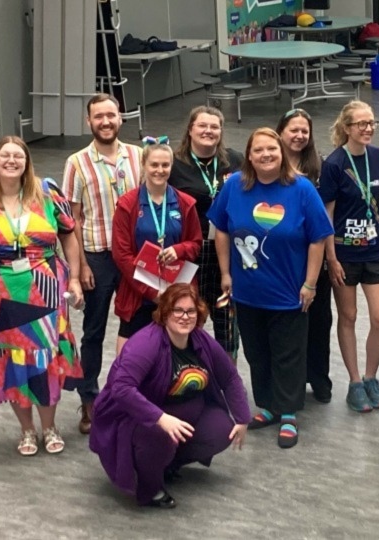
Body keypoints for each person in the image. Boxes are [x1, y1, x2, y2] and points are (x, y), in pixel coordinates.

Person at [207, 127, 333, 449]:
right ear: (249, 155)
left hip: (289, 292)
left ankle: (288, 411)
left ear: (281, 153)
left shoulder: (302, 189)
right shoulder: (234, 186)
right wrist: (225, 273)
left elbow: (318, 238)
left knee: (288, 353)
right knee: (257, 351)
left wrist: (310, 284)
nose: (266, 155)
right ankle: (267, 404)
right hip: (247, 291)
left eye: (272, 150)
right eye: (259, 150)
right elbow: (221, 230)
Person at [0, 136, 84, 457]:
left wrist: (75, 277)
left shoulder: (46, 193)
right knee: (12, 359)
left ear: (27, 161)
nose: (12, 161)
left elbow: (69, 235)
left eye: (18, 155)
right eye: (5, 155)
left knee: (44, 357)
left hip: (44, 285)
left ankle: (49, 426)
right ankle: (27, 430)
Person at [89, 284, 250, 508]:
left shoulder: (200, 339)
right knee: (159, 436)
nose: (185, 317)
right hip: (139, 418)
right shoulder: (146, 343)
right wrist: (160, 418)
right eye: (178, 310)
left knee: (223, 429)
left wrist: (242, 417)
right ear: (164, 313)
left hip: (185, 413)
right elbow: (121, 388)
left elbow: (230, 377)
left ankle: (166, 463)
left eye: (191, 311)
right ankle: (150, 487)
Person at [62, 93, 142, 434]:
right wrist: (80, 269)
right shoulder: (76, 163)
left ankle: (136, 395)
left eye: (111, 115)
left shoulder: (139, 156)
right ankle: (89, 400)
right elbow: (71, 219)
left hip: (137, 256)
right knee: (93, 332)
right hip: (97, 255)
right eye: (99, 117)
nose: (106, 122)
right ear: (89, 121)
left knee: (138, 329)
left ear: (120, 118)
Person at [320, 101, 379, 413]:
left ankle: (371, 376)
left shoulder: (378, 158)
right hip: (344, 255)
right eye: (361, 123)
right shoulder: (334, 163)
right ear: (346, 127)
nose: (367, 128)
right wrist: (331, 258)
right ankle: (354, 382)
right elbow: (328, 213)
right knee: (348, 317)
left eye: (371, 122)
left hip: (376, 251)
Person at [112, 137, 203, 351]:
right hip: (138, 294)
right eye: (154, 164)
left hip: (176, 290)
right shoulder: (127, 204)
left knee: (176, 355)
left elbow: (196, 243)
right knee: (131, 356)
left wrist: (178, 249)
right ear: (144, 166)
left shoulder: (185, 203)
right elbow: (121, 254)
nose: (159, 170)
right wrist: (152, 293)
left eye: (165, 165)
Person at [168, 106, 244, 363]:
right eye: (202, 126)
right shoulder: (174, 165)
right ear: (190, 129)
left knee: (226, 318)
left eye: (214, 127)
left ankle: (227, 377)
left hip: (226, 252)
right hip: (190, 252)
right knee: (188, 315)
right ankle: (188, 374)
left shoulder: (235, 161)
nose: (208, 131)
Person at [275, 108, 333, 404]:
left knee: (319, 322)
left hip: (313, 258)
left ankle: (319, 377)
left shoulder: (319, 168)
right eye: (293, 130)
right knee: (286, 327)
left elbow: (325, 219)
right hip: (281, 261)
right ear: (280, 132)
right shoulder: (268, 165)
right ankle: (289, 384)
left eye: (304, 131)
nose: (299, 136)